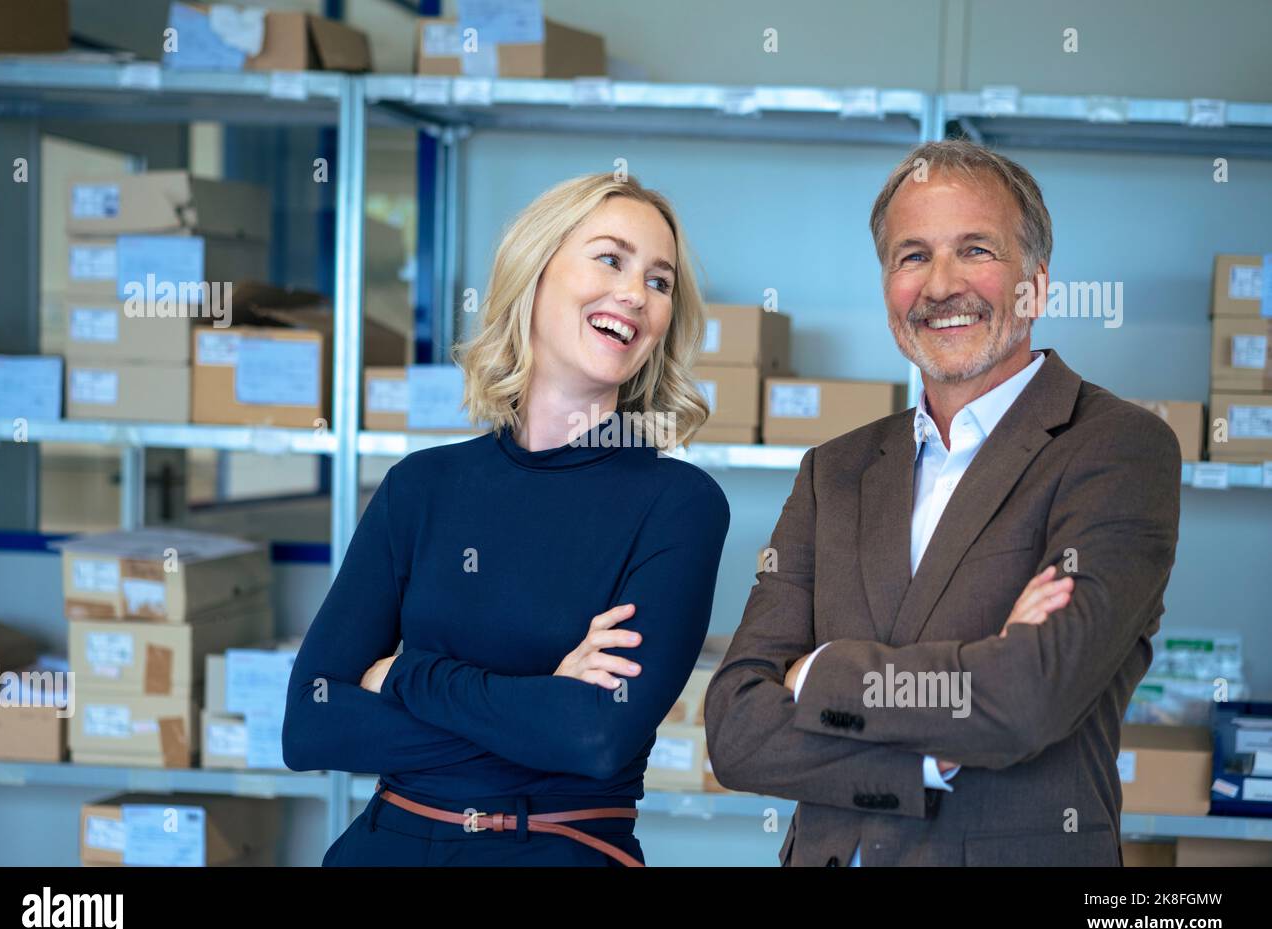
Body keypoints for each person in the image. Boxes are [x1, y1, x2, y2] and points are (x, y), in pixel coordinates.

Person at [704, 139, 1181, 867]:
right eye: (912, 256)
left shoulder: (1116, 448)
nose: (941, 285)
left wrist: (818, 672)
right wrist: (931, 753)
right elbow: (736, 727)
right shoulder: (833, 471)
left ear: (1038, 285)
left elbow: (1029, 697)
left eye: (976, 250)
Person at [283, 171, 730, 867]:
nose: (636, 293)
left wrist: (407, 675)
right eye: (611, 258)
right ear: (535, 270)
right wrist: (539, 704)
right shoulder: (421, 487)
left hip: (554, 850)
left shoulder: (680, 506)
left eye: (660, 281)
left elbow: (597, 739)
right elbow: (311, 722)